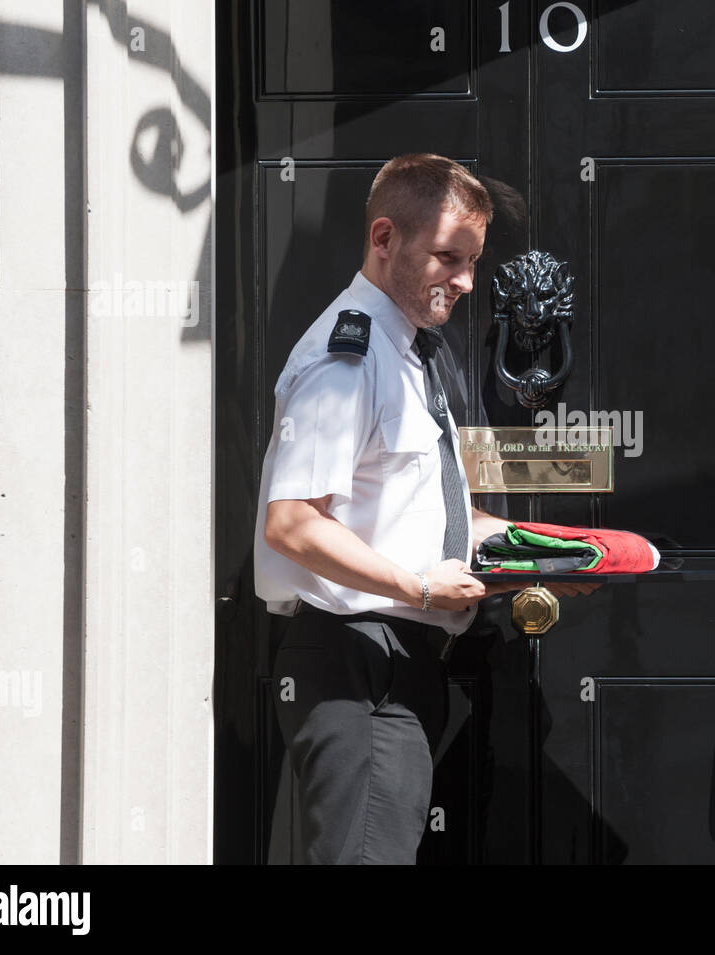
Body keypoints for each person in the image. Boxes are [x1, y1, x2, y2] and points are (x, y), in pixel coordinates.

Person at [254, 153, 513, 864]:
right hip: (356, 664)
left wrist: (542, 553)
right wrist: (420, 588)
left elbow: (424, 516)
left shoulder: (413, 353)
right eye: (446, 258)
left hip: (396, 664)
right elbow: (293, 522)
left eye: (472, 262)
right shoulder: (350, 355)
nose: (463, 281)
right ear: (383, 238)